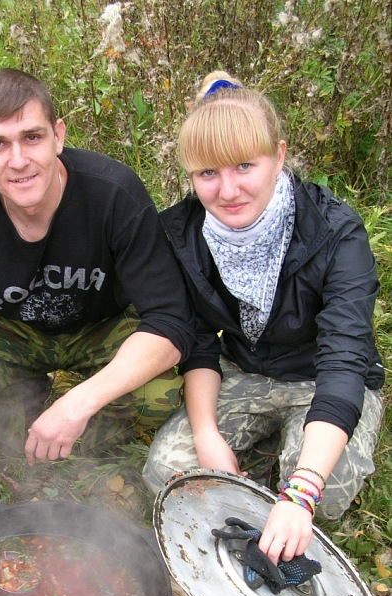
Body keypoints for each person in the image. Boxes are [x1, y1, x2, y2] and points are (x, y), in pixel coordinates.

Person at [0, 67, 194, 478]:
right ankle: (28, 413)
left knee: (162, 394)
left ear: (58, 136)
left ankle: (57, 432)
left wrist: (78, 403)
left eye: (32, 137)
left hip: (103, 327)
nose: (18, 160)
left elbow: (171, 323)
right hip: (11, 329)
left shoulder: (113, 193)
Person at [143, 71, 384, 565]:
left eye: (244, 166)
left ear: (278, 155)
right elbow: (199, 343)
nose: (227, 190)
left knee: (328, 491)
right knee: (166, 468)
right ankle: (260, 454)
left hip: (321, 377)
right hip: (242, 371)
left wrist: (301, 493)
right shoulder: (181, 235)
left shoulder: (337, 231)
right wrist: (207, 434)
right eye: (207, 173)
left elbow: (345, 359)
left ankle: (290, 461)